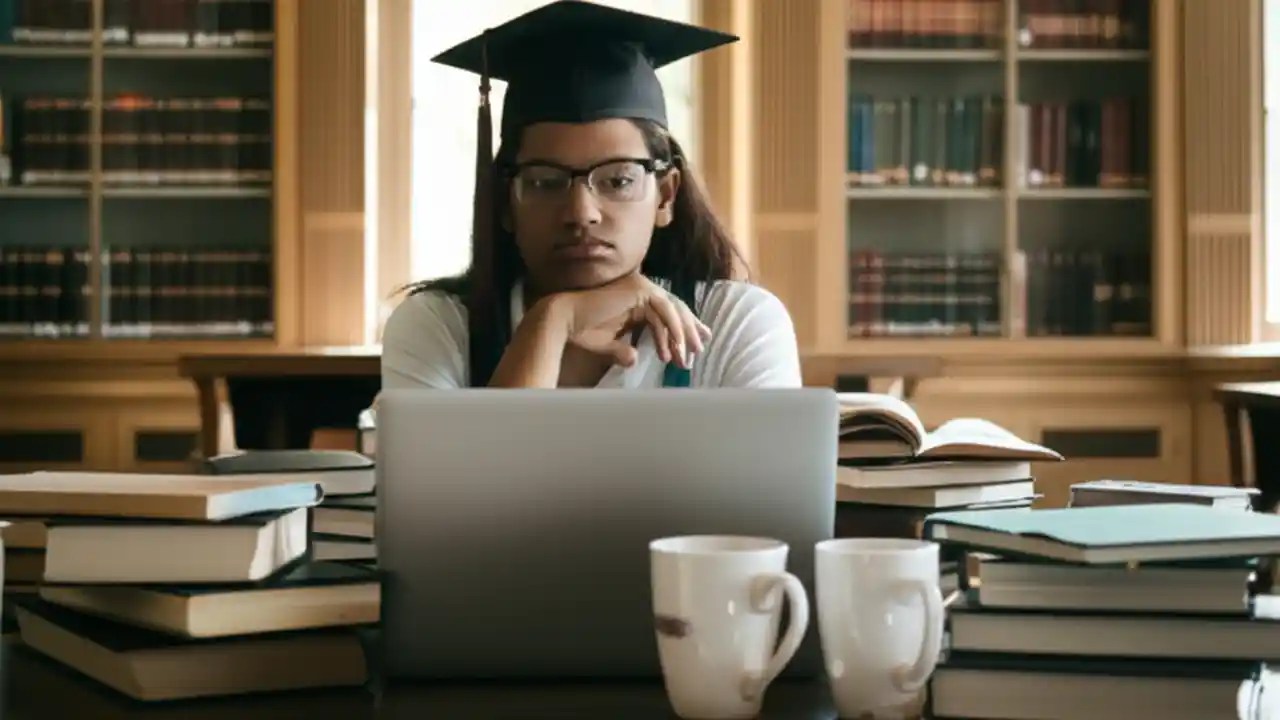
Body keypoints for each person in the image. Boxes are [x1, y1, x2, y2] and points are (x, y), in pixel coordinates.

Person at [380, 0, 802, 391]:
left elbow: (772, 475)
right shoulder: (440, 328)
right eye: (545, 181)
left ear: (666, 196)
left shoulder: (735, 324)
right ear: (505, 201)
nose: (581, 213)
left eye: (618, 181)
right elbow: (457, 476)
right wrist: (549, 323)